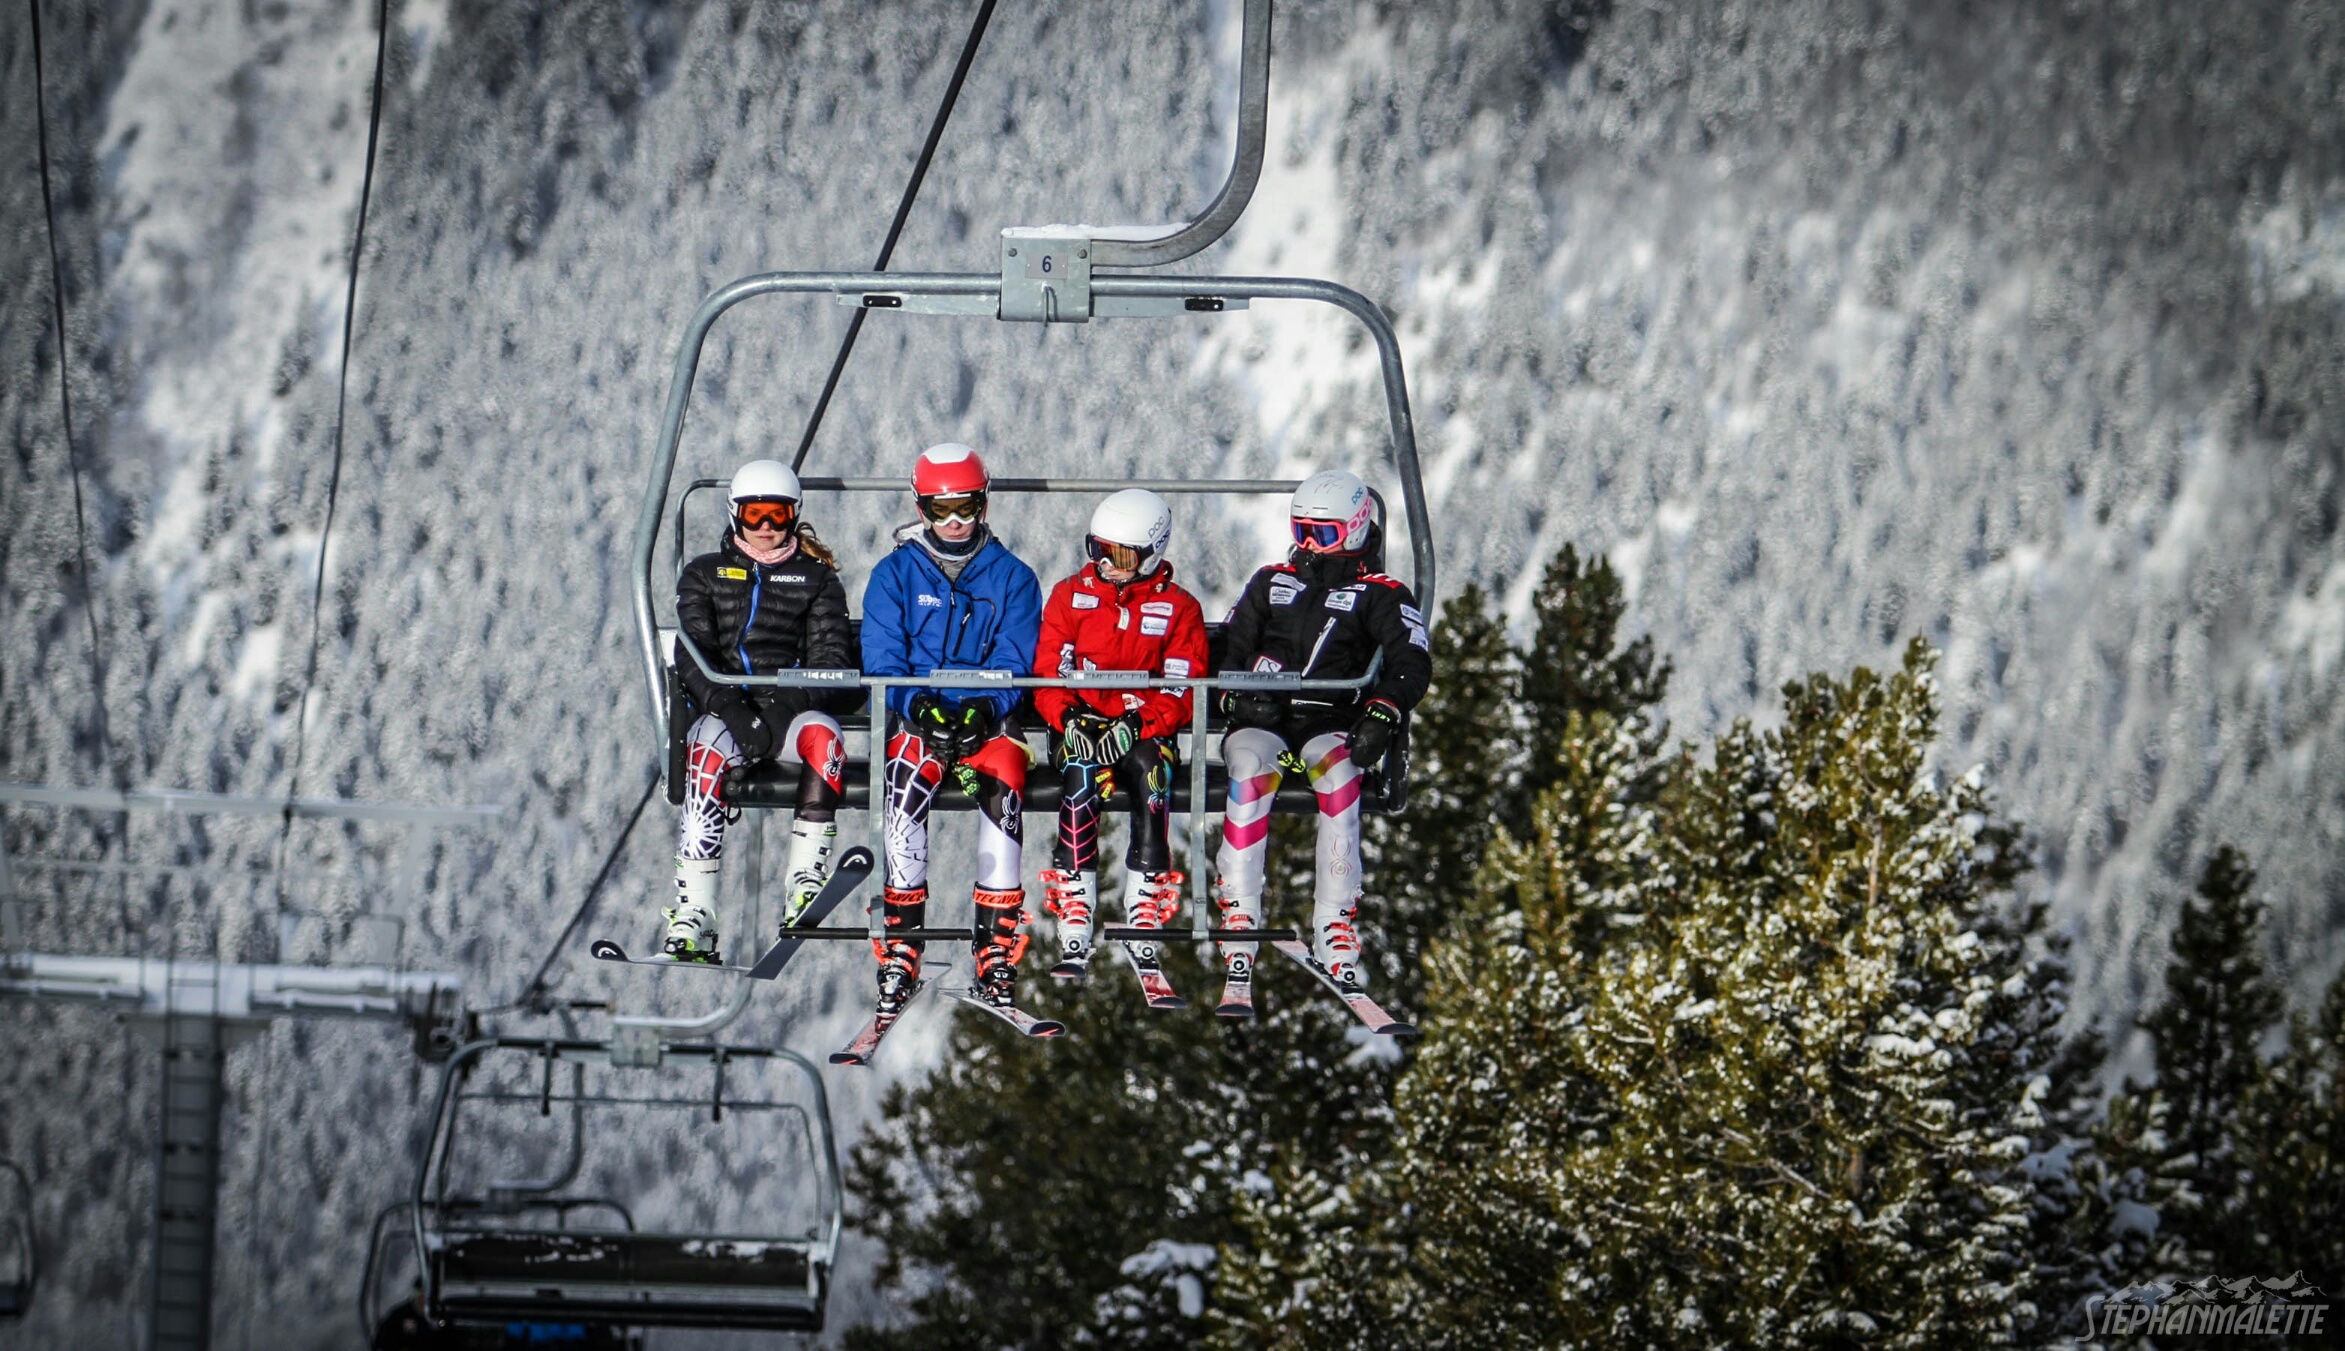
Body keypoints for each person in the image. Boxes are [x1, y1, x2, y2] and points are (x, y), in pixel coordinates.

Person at [1213, 469, 1432, 1001]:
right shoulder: (1272, 581)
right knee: (1249, 773)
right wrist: (1235, 697)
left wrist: (1383, 711)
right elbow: (1229, 648)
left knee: (1339, 777)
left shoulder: (1380, 594)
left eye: (1323, 533)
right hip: (1264, 720)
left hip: (1329, 721)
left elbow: (1411, 658)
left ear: (1354, 529)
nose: (1309, 544)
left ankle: (1335, 919)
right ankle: (1239, 909)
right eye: (1301, 531)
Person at [860, 443, 1044, 1017]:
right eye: (941, 510)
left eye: (967, 506)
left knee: (1005, 778)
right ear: (921, 509)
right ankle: (902, 941)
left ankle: (995, 943)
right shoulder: (894, 575)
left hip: (987, 723)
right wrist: (919, 706)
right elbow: (883, 659)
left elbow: (1016, 658)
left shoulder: (1013, 578)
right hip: (922, 719)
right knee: (905, 779)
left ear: (984, 503)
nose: (956, 521)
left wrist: (986, 708)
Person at [664, 459, 862, 963]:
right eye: (756, 515)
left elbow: (832, 659)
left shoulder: (815, 579)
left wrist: (783, 708)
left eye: (779, 514)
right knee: (705, 752)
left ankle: (805, 884)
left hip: (791, 711)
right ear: (736, 514)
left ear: (794, 515)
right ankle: (695, 910)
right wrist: (732, 710)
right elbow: (693, 654)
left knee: (825, 739)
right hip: (727, 712)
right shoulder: (705, 574)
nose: (768, 526)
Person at [1031, 489, 1210, 982]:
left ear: (1152, 553)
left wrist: (1139, 723)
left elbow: (1182, 686)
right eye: (1098, 549)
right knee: (1081, 770)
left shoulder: (1178, 608)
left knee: (1153, 776)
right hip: (1082, 721)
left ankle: (1144, 902)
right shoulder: (1071, 596)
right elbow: (1048, 672)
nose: (1107, 564)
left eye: (1121, 556)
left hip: (1144, 729)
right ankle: (1075, 904)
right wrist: (1068, 717)